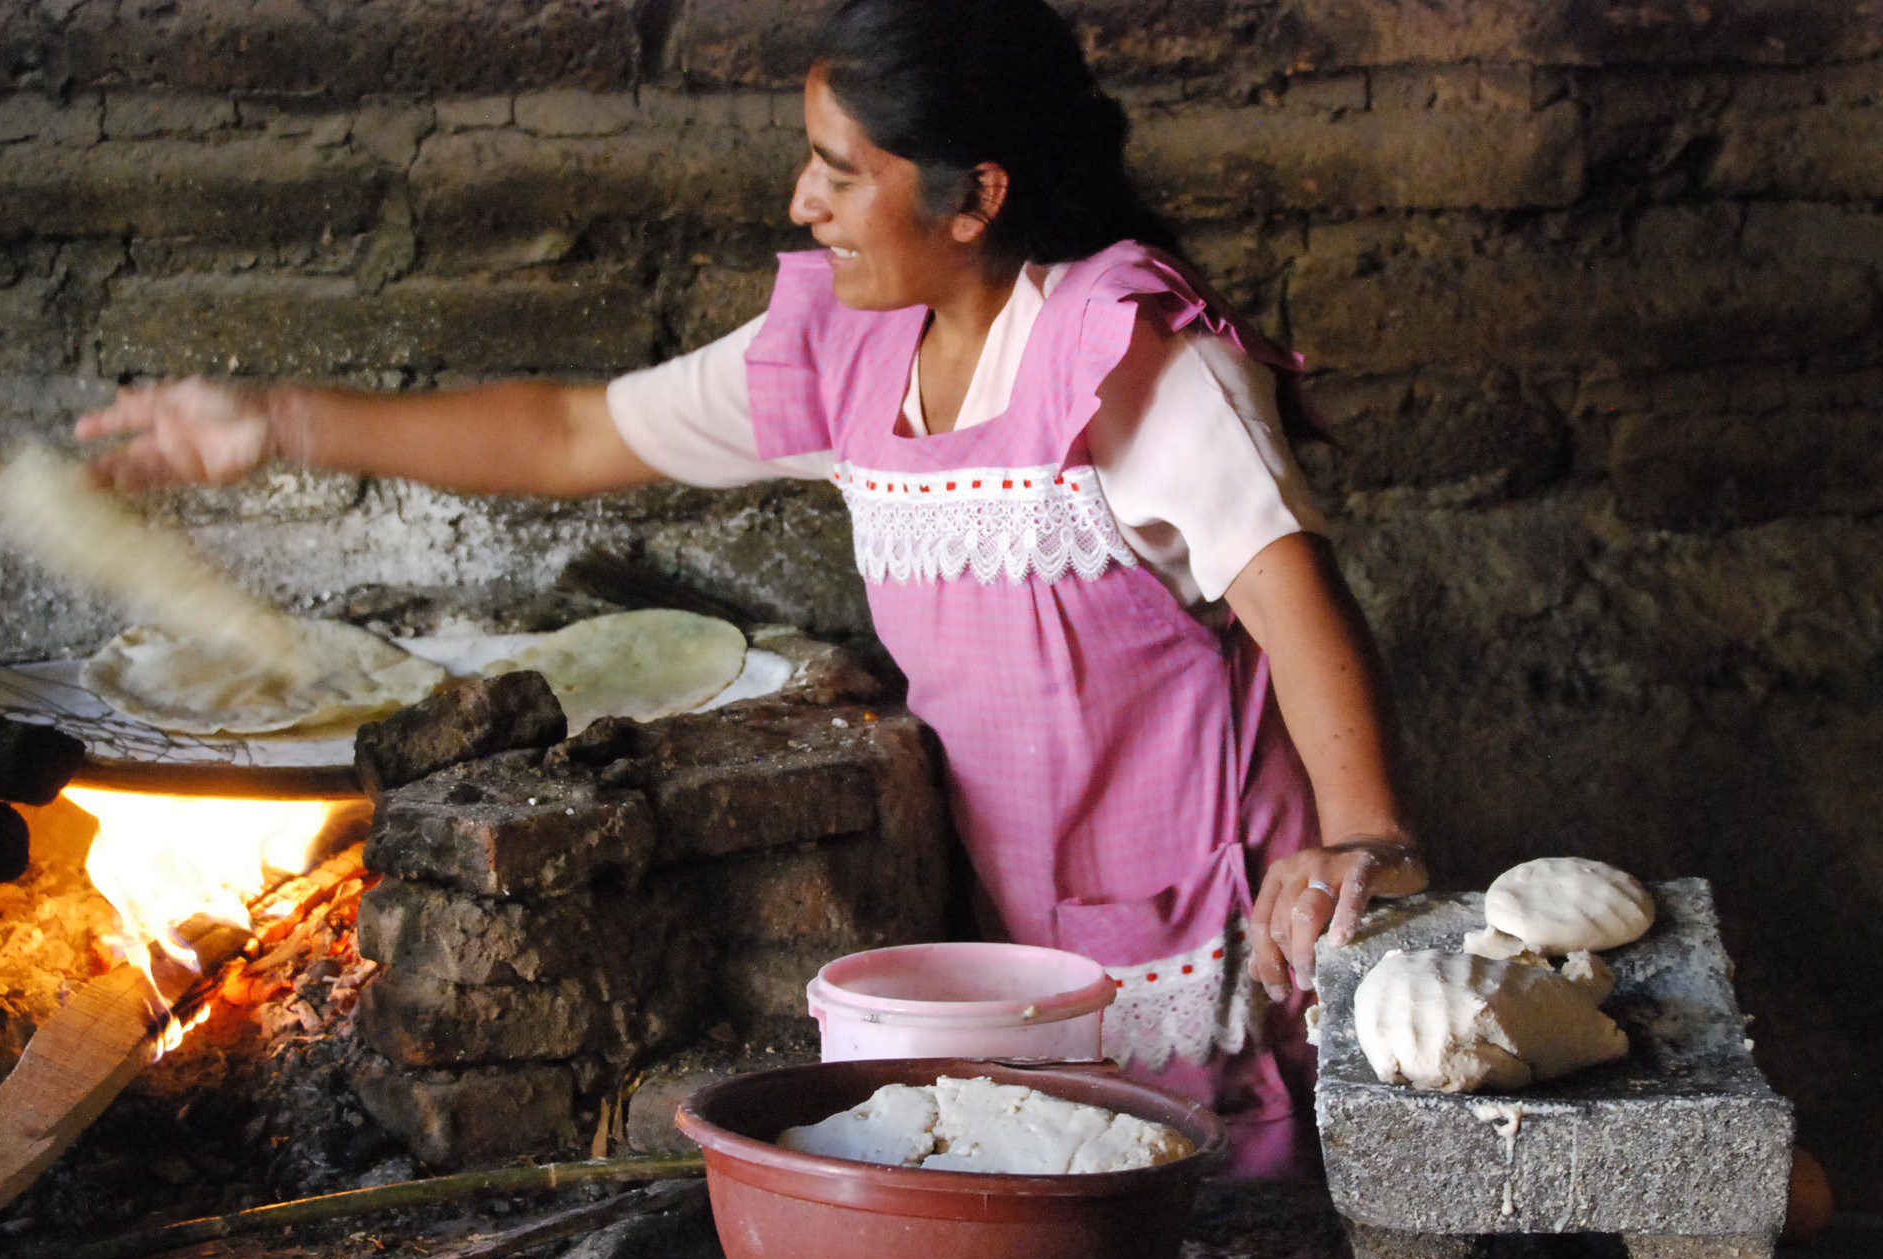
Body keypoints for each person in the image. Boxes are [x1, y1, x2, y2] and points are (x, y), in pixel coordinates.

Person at [76, 0, 1425, 1177]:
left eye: (842, 172)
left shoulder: (1129, 358)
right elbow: (572, 436)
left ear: (977, 196)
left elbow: (1296, 606)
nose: (802, 201)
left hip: (1224, 926)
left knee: (1224, 1209)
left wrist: (1363, 844)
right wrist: (274, 425)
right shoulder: (845, 348)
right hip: (1024, 940)